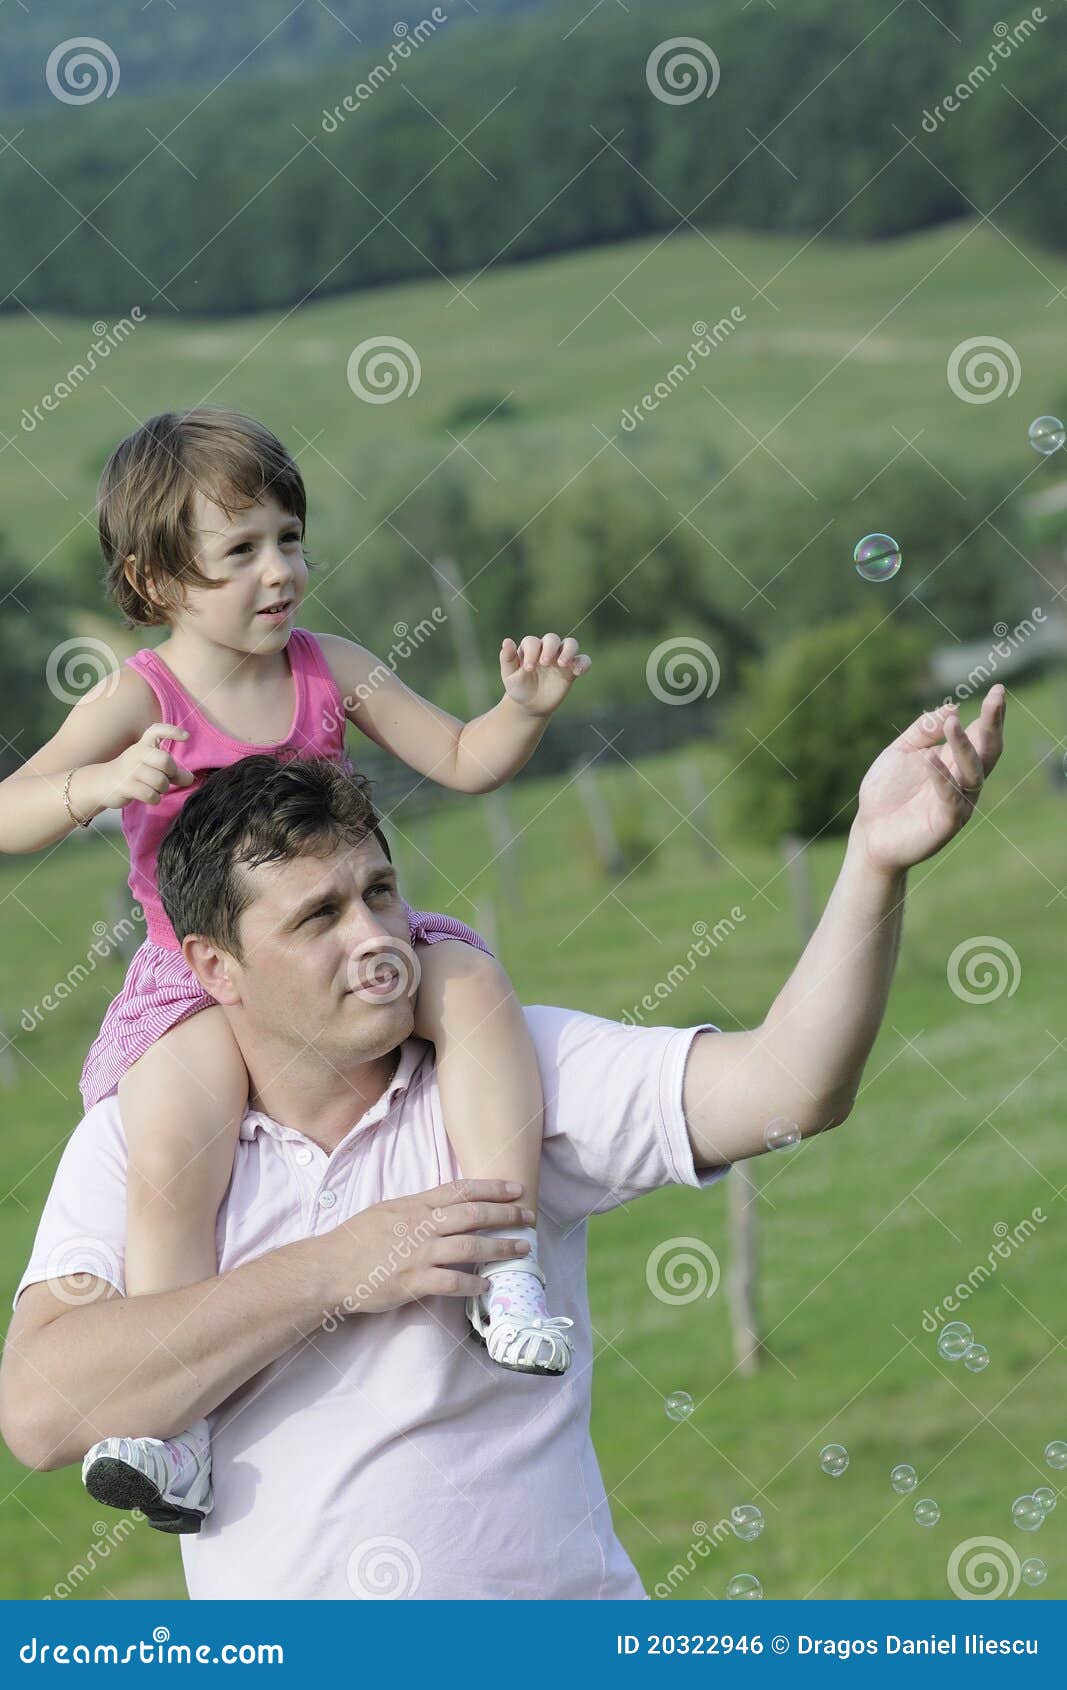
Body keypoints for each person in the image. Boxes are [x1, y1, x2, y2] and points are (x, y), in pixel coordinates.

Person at [0, 683, 1004, 1598]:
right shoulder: (143, 1135)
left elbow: (790, 1086)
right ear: (217, 968)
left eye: (380, 892)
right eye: (320, 916)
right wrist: (335, 1270)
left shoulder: (507, 1068)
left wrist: (871, 859)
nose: (377, 939)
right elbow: (41, 1412)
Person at [0, 410, 593, 1530]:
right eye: (242, 552)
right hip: (200, 980)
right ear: (156, 579)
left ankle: (506, 1267)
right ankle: (173, 1423)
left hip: (355, 945)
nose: (281, 572)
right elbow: (9, 809)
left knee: (469, 987)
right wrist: (102, 782)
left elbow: (463, 759)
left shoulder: (334, 669)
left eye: (290, 538)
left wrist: (517, 711)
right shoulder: (142, 694)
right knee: (173, 1126)